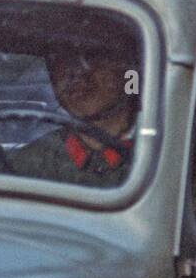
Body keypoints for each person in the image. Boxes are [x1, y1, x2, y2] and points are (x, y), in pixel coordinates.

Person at [8, 47, 138, 186]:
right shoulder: (32, 161)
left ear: (129, 73)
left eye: (93, 58)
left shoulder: (154, 154)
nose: (76, 73)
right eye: (60, 62)